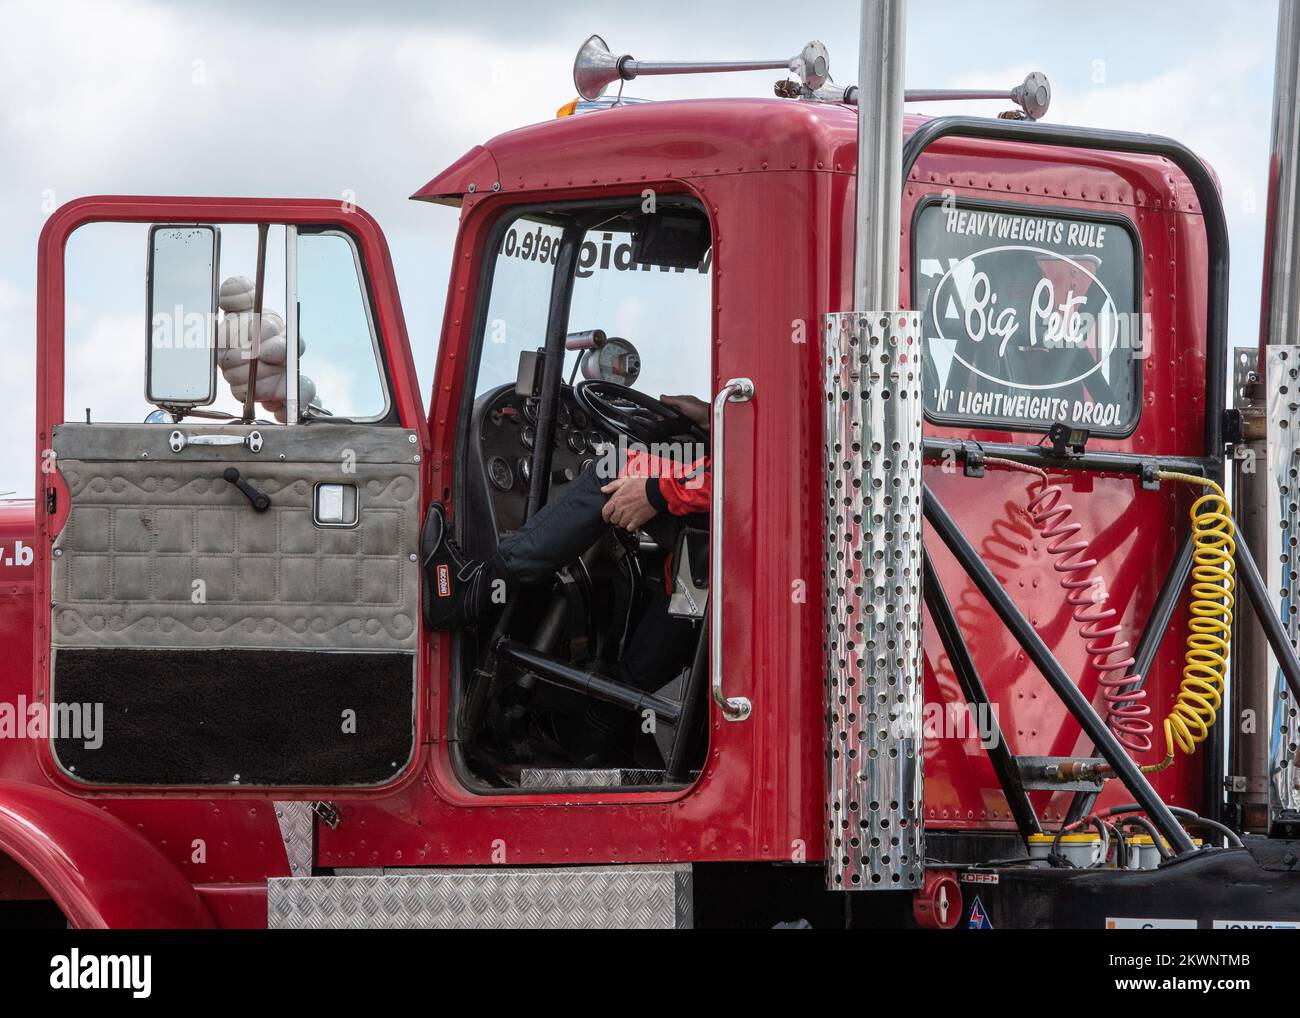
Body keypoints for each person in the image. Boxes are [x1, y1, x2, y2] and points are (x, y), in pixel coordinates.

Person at [424, 393, 710, 632]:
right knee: (643, 668)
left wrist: (654, 492)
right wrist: (711, 417)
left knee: (611, 468)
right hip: (715, 563)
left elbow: (739, 474)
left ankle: (474, 591)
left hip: (724, 531)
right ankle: (624, 688)